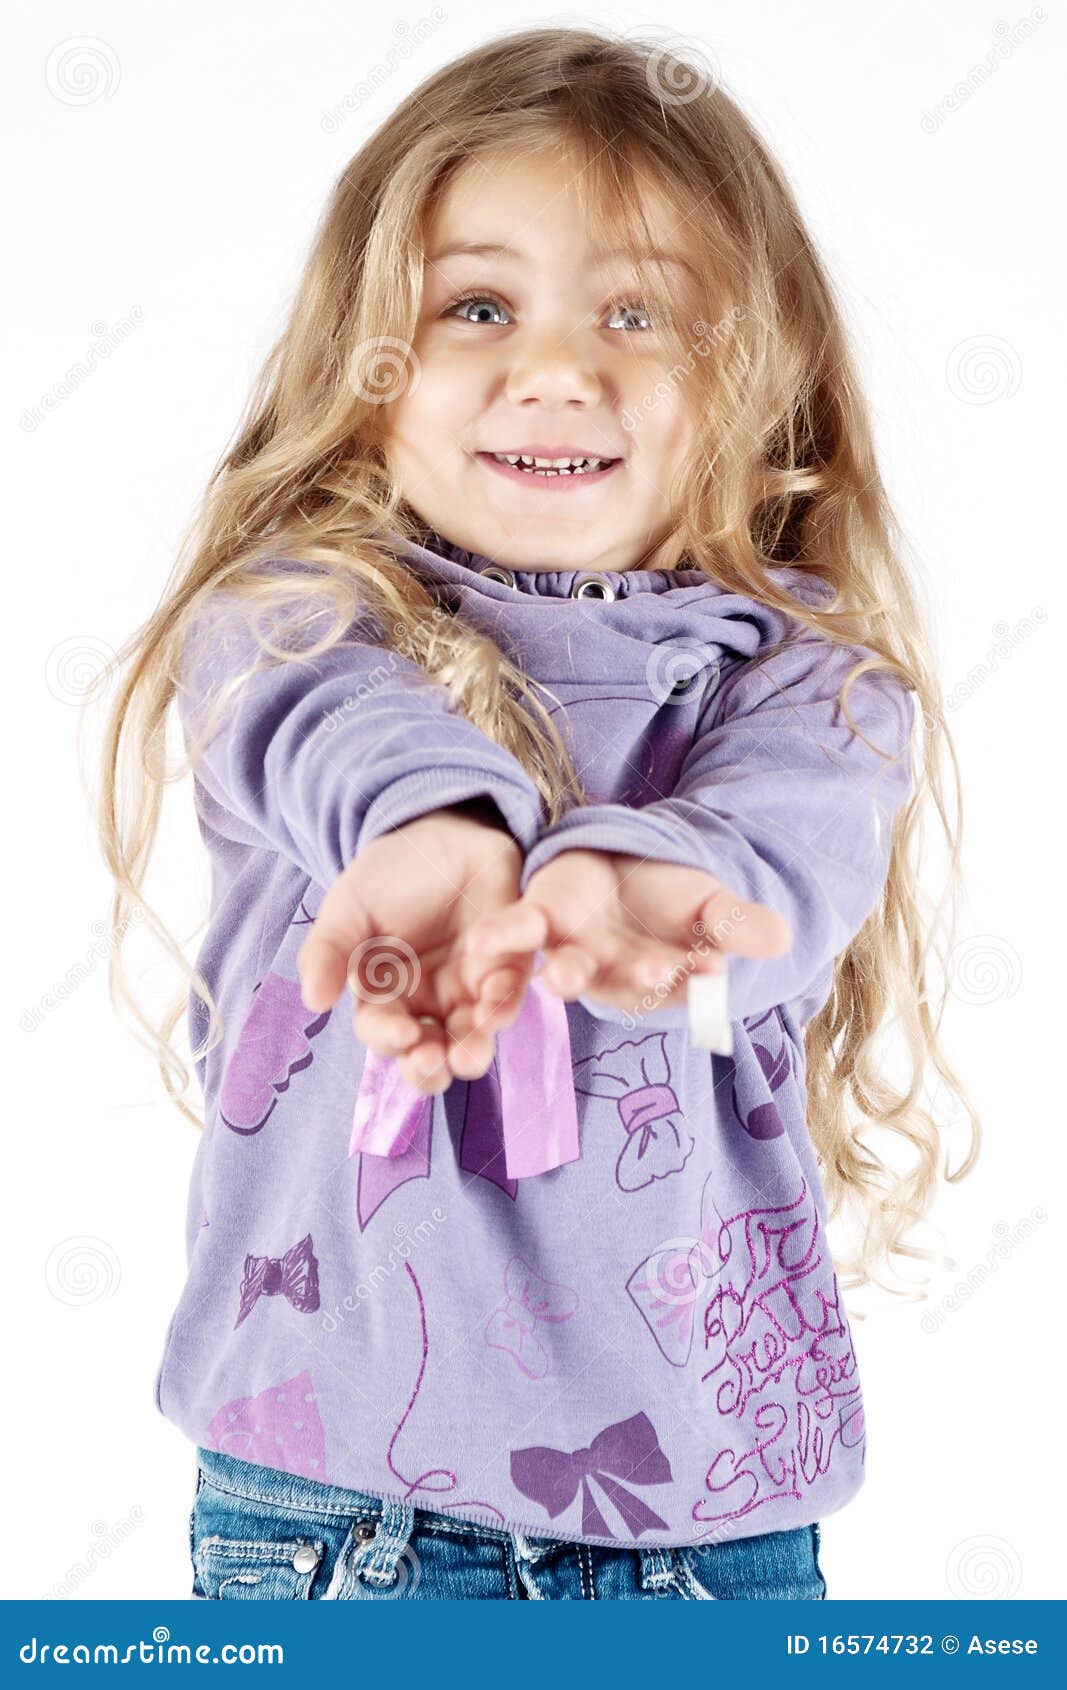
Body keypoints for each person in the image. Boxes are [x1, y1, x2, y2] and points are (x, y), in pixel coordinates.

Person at [95, 25, 979, 1600]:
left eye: (638, 312)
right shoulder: (289, 620)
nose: (559, 369)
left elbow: (780, 854)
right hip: (337, 1523)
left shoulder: (818, 688)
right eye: (480, 307)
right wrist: (438, 833)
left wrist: (644, 881)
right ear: (363, 363)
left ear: (759, 376)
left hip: (714, 1546)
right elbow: (336, 727)